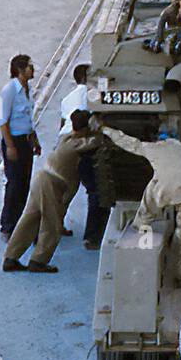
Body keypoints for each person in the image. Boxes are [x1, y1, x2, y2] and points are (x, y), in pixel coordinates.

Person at [95, 119, 181, 287]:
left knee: (151, 190)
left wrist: (105, 129)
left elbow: (128, 142)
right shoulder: (180, 148)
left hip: (163, 189)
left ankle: (141, 222)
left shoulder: (150, 147)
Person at [3, 111, 100, 273]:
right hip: (52, 184)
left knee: (29, 219)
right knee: (52, 223)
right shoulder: (79, 144)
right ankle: (38, 261)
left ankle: (11, 257)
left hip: (41, 178)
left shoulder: (67, 137)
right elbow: (97, 141)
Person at [57, 62, 107, 248]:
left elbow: (62, 123)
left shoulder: (66, 98)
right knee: (95, 189)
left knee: (66, 189)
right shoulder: (91, 93)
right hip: (83, 142)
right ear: (87, 77)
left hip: (65, 142)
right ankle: (92, 236)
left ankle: (56, 224)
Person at [0, 54, 42, 239]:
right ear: (20, 70)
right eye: (30, 67)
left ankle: (19, 223)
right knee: (14, 184)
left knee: (24, 183)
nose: (33, 70)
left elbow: (28, 119)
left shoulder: (27, 90)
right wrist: (10, 146)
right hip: (14, 141)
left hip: (25, 141)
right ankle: (8, 225)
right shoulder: (9, 91)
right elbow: (3, 121)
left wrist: (35, 141)